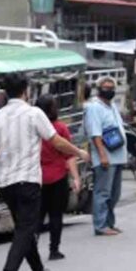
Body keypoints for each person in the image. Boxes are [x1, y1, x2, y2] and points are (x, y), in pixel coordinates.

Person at [0, 74, 89, 271]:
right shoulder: (33, 114)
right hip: (28, 180)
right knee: (27, 228)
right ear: (26, 91)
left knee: (24, 227)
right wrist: (79, 151)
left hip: (6, 181)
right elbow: (56, 140)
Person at [36, 94, 82, 261]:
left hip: (37, 178)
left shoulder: (34, 129)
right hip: (58, 177)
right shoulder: (60, 128)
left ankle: (31, 249)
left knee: (37, 216)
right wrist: (76, 177)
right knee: (56, 215)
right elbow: (69, 155)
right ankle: (54, 249)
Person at [84, 78, 127, 236]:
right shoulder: (94, 108)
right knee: (103, 192)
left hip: (118, 156)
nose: (109, 90)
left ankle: (109, 222)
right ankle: (100, 225)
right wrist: (102, 155)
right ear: (99, 89)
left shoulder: (112, 106)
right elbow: (95, 134)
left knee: (114, 194)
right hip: (106, 158)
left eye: (112, 87)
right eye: (106, 87)